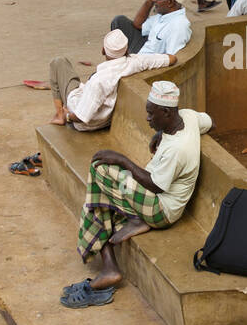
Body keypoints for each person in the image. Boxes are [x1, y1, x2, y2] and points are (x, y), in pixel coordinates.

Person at [63, 81, 212, 307]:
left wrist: (122, 159)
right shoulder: (188, 118)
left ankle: (114, 260)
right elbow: (210, 122)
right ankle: (113, 261)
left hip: (161, 209)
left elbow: (155, 185)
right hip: (155, 198)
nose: (148, 119)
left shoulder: (177, 149)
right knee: (99, 199)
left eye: (152, 114)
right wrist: (163, 132)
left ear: (166, 112)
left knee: (99, 170)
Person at [48, 29, 176, 131]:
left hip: (88, 124)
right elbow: (171, 59)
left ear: (103, 50)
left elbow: (82, 117)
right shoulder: (136, 62)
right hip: (105, 118)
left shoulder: (98, 81)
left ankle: (60, 114)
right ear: (126, 49)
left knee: (59, 63)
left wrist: (67, 116)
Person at [109, 0, 193, 57]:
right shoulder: (163, 15)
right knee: (119, 21)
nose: (155, 0)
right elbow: (138, 24)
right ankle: (118, 62)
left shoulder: (178, 26)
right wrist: (150, 1)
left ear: (170, 2)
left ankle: (118, 64)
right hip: (142, 50)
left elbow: (172, 58)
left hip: (145, 62)